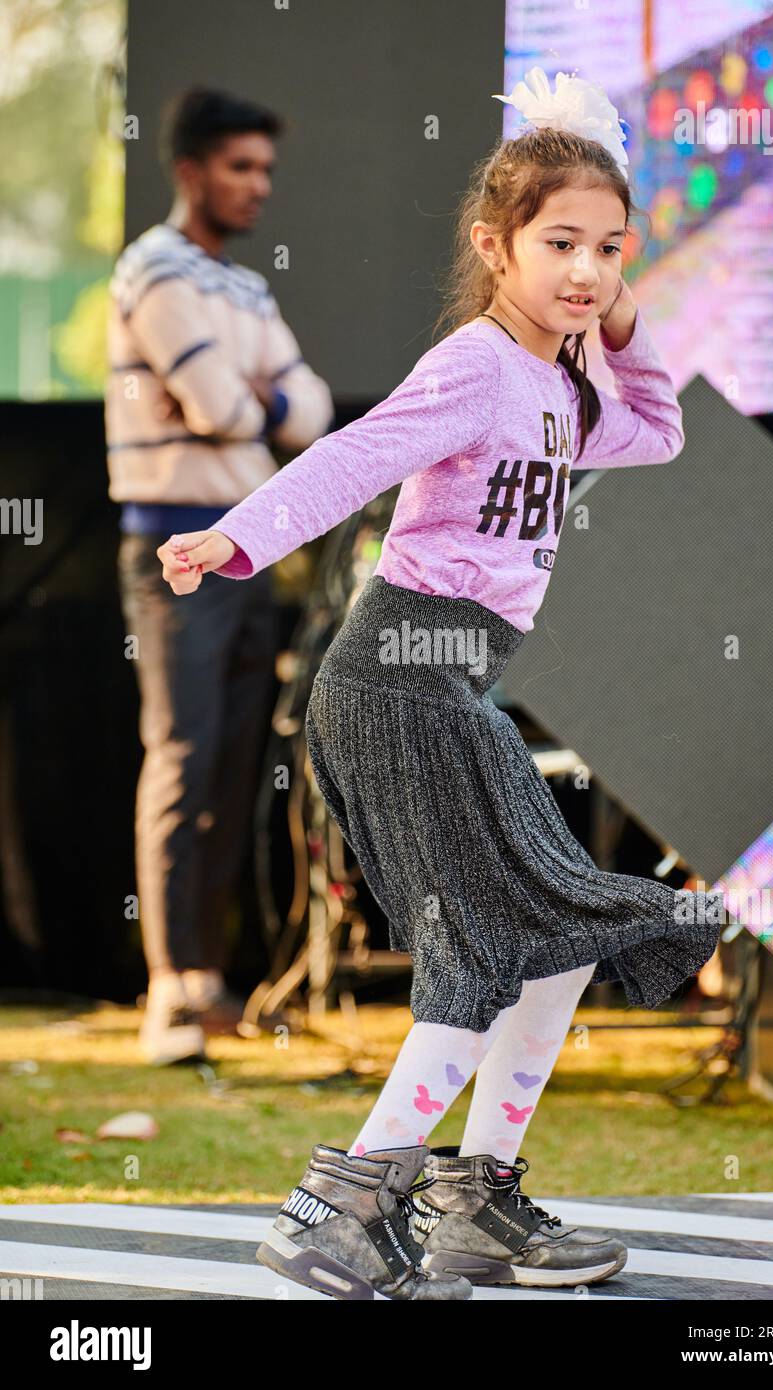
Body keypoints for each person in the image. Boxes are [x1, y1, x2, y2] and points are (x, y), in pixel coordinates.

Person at [156, 68, 726, 1300]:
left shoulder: (568, 383)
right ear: (495, 245)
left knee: (557, 933)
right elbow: (358, 453)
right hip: (396, 682)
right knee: (484, 948)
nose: (584, 271)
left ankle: (474, 1205)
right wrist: (238, 536)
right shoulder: (477, 364)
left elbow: (662, 429)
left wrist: (619, 325)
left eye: (609, 249)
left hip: (450, 691)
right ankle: (338, 1212)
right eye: (559, 244)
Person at [105, 88, 334, 1066]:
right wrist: (257, 398)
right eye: (240, 167)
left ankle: (208, 981)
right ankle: (168, 988)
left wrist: (262, 397)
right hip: (172, 546)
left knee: (236, 762)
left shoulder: (240, 287)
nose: (259, 188)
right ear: (191, 170)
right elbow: (214, 409)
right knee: (182, 753)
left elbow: (311, 413)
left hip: (248, 541)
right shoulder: (152, 270)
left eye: (267, 171)